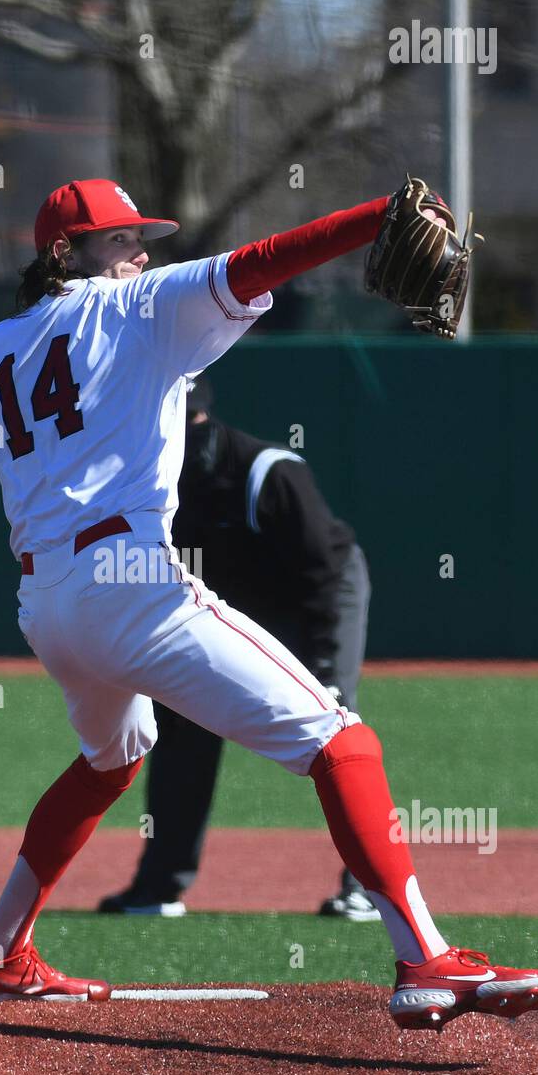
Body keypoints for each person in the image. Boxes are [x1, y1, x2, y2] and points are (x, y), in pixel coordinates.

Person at [0, 177, 538, 1032]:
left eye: (144, 237)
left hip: (47, 603)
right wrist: (375, 218)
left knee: (114, 755)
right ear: (63, 252)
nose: (140, 250)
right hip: (129, 586)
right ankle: (427, 957)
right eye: (119, 237)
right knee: (344, 741)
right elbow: (259, 261)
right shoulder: (136, 305)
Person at [98, 370, 378, 920]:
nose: (183, 430)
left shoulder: (267, 473)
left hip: (314, 592)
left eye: (190, 418)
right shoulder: (147, 478)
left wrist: (322, 666)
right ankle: (160, 885)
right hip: (230, 602)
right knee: (181, 723)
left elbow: (323, 571)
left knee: (333, 723)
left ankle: (368, 887)